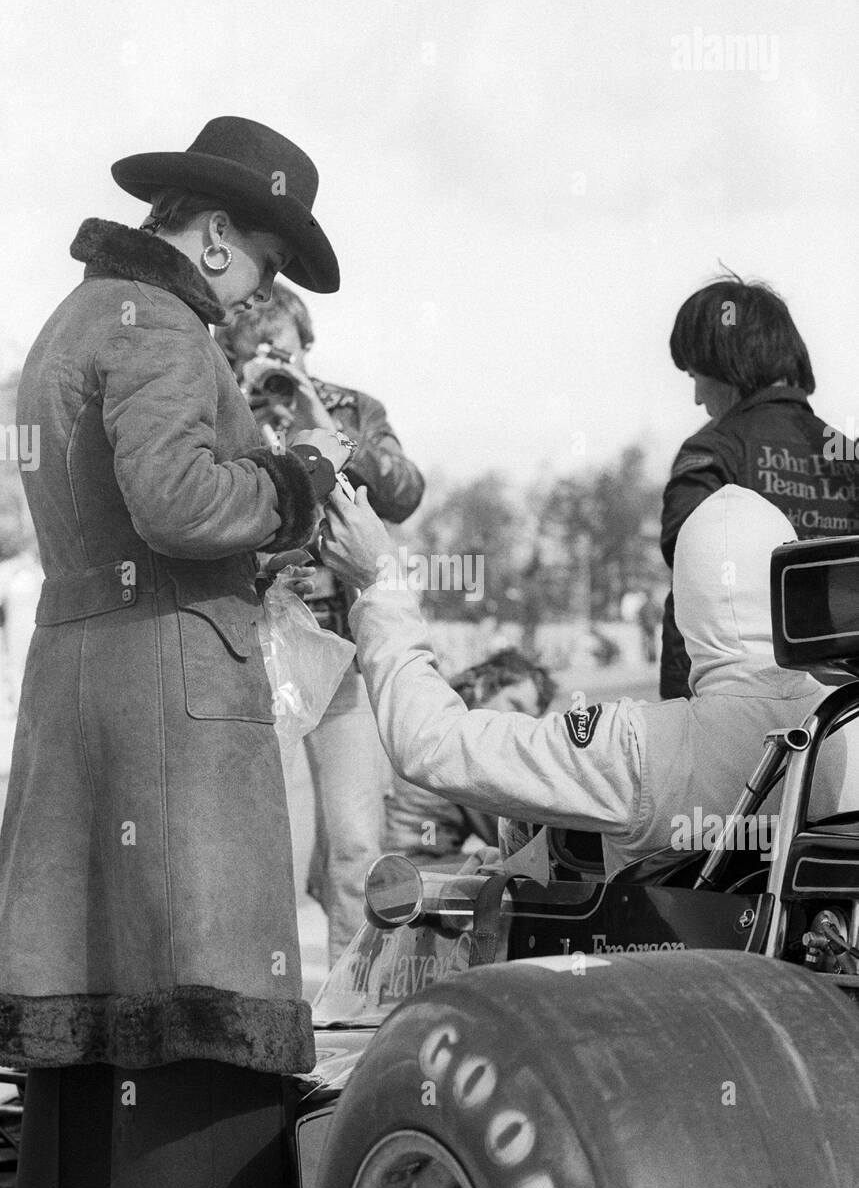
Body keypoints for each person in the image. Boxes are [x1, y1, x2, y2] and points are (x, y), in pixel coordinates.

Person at [1, 115, 352, 1188]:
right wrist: (299, 477)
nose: (259, 289)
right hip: (175, 713)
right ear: (208, 235)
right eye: (262, 257)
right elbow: (180, 501)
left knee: (89, 1028)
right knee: (192, 1029)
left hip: (80, 692)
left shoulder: (76, 320)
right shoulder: (158, 328)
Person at [319, 483, 854, 881]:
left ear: (683, 610)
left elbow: (429, 742)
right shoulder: (846, 721)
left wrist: (380, 584)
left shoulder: (636, 745)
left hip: (674, 1013)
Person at [216, 285, 424, 964]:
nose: (274, 363)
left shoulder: (347, 409)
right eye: (258, 352)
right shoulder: (215, 404)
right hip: (251, 651)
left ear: (306, 343)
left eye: (286, 348)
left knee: (356, 844)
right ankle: (264, 999)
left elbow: (402, 492)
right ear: (229, 350)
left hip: (340, 651)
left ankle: (351, 996)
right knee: (265, 845)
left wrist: (325, 428)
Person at [660, 275, 859, 699]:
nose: (697, 397)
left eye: (695, 375)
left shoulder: (714, 449)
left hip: (736, 712)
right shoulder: (848, 454)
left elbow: (691, 566)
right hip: (844, 711)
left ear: (726, 366)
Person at [383, 648, 553, 868]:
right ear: (483, 688)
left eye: (529, 719)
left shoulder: (442, 713)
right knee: (516, 869)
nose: (520, 723)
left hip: (396, 860)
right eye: (515, 706)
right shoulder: (471, 742)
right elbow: (507, 834)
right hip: (413, 867)